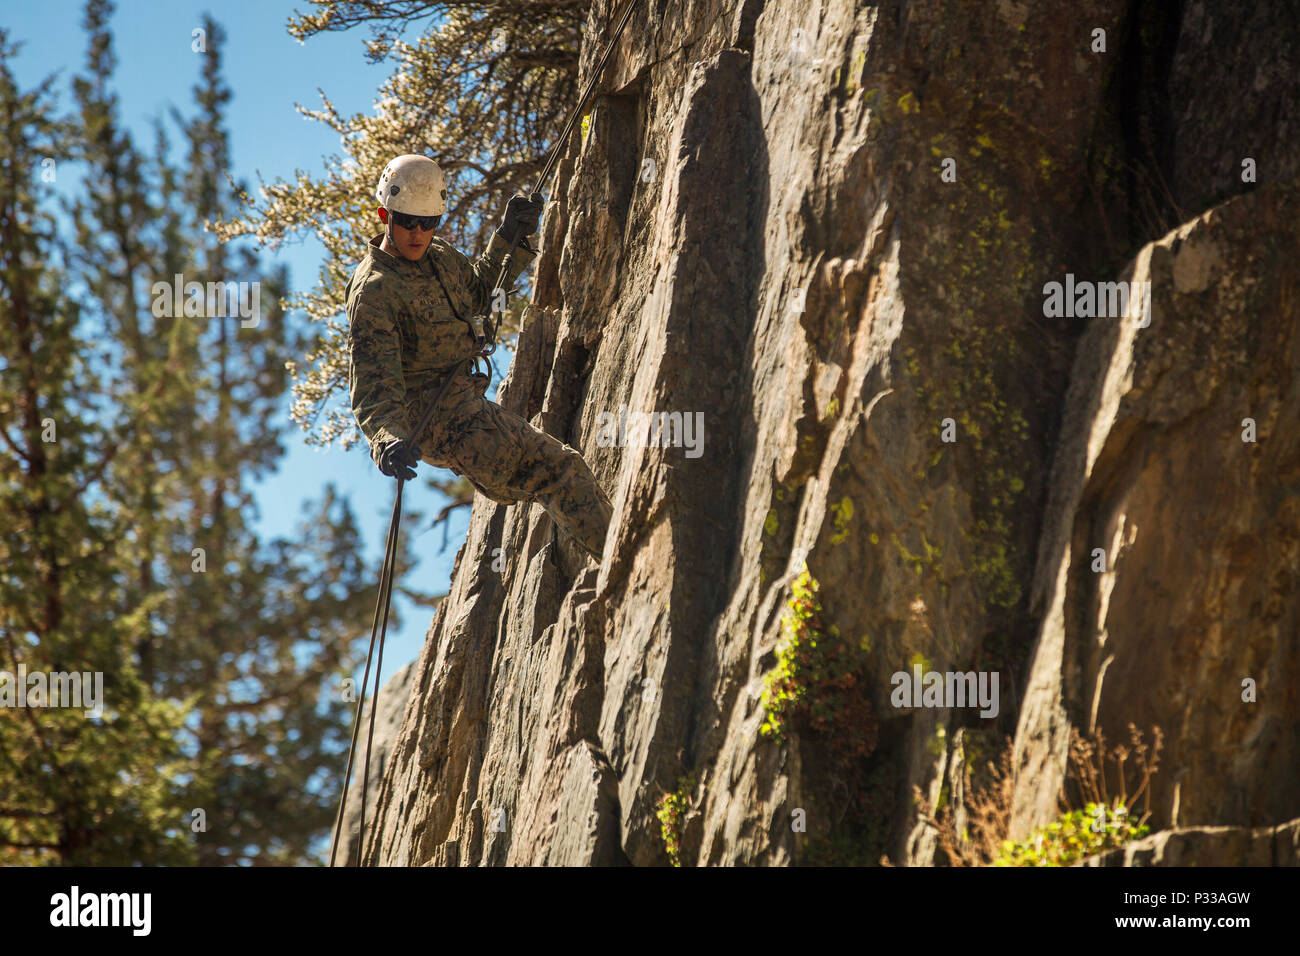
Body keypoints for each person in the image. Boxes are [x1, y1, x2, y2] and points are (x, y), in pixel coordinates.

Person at [346, 154, 612, 562]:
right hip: (440, 423)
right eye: (408, 222)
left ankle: (617, 557)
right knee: (561, 471)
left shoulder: (440, 256)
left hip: (466, 403)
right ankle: (624, 564)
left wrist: (509, 234)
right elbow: (373, 383)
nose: (418, 234)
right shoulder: (375, 292)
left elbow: (481, 289)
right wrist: (387, 441)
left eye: (428, 223)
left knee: (561, 469)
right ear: (386, 213)